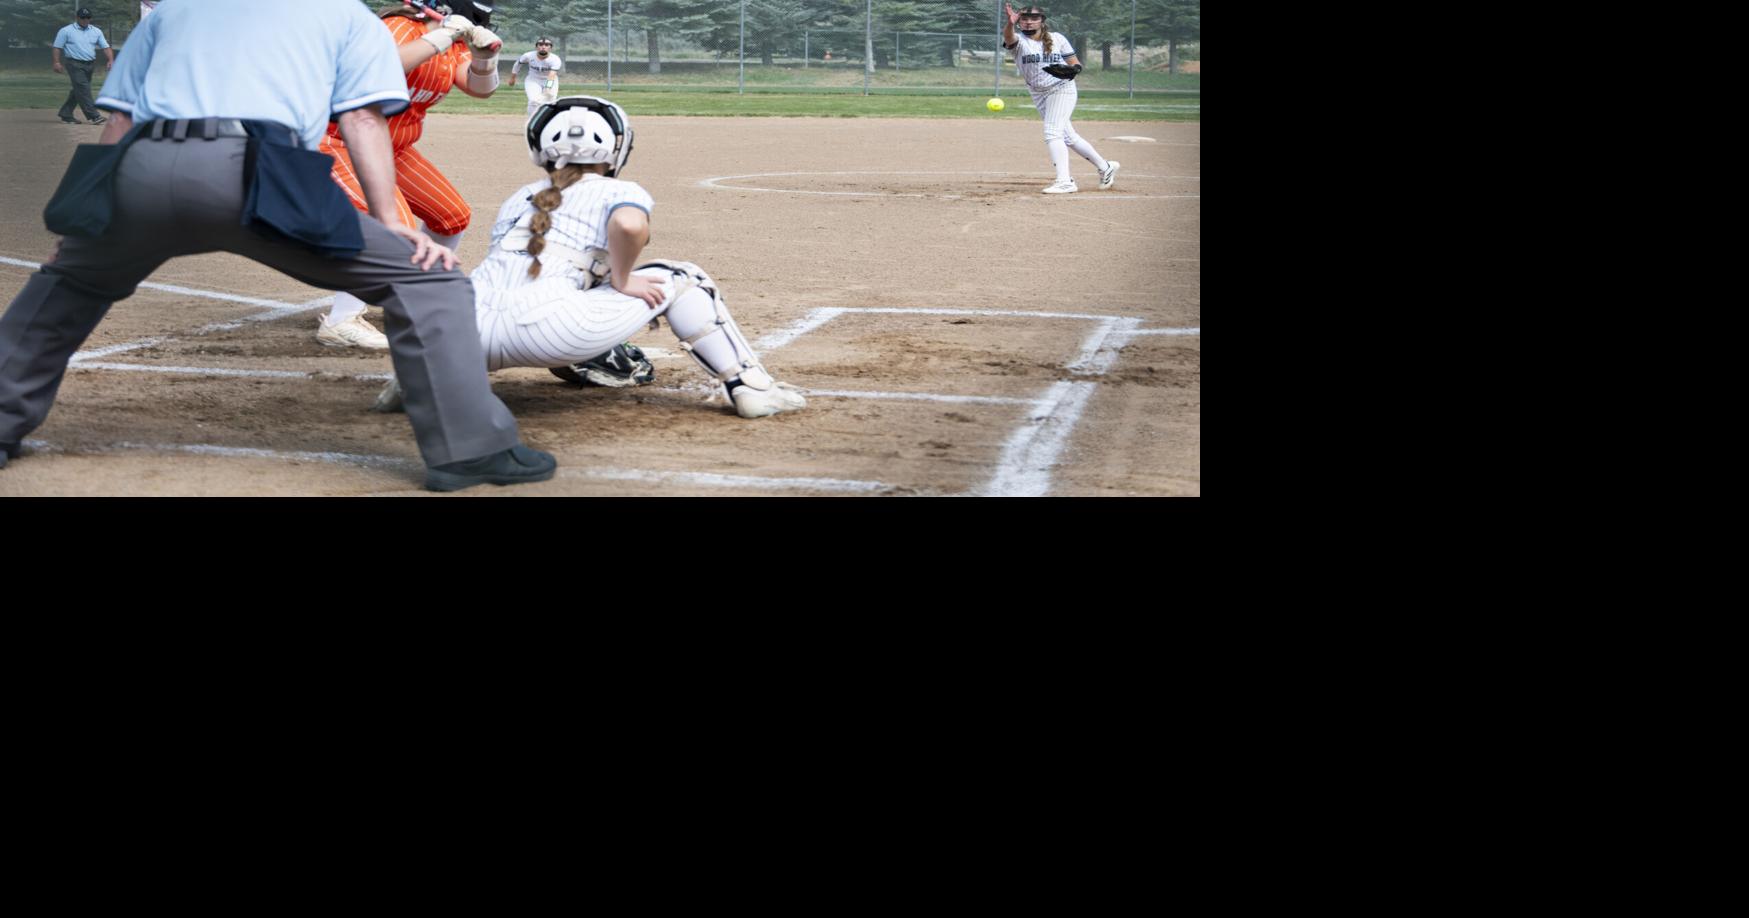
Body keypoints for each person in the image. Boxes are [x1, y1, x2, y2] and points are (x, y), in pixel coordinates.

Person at [0, 0, 553, 491]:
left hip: (144, 168)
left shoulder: (173, 11)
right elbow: (360, 117)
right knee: (428, 280)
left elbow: (120, 120)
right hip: (260, 169)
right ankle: (470, 450)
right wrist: (393, 224)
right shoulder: (343, 15)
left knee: (67, 284)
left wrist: (81, 223)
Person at [373, 96, 805, 421]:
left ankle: (413, 382)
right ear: (617, 149)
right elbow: (630, 227)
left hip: (461, 338)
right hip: (555, 332)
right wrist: (621, 279)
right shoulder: (621, 189)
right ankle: (750, 387)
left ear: (540, 148)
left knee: (495, 288)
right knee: (685, 278)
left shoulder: (520, 197)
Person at [313, 1, 503, 350]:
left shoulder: (453, 44)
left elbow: (481, 88)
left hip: (392, 148)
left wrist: (484, 58)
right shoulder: (401, 26)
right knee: (390, 223)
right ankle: (341, 320)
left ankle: (416, 296)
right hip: (339, 139)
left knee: (451, 216)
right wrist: (443, 35)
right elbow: (379, 66)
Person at [1002, 4, 1118, 195]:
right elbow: (1008, 37)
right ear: (1019, 21)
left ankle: (1065, 181)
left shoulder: (1057, 39)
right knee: (1068, 137)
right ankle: (1105, 167)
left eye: (1034, 18)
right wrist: (1010, 23)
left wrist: (1074, 70)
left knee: (1052, 133)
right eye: (1024, 18)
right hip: (1039, 93)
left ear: (1042, 21)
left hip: (1061, 89)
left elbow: (1075, 63)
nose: (1029, 22)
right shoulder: (1020, 42)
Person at [52, 8, 113, 126]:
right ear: (77, 17)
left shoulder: (96, 31)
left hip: (90, 64)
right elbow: (57, 47)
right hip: (74, 63)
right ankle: (94, 116)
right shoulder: (66, 31)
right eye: (83, 17)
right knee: (83, 89)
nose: (86, 20)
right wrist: (56, 62)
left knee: (78, 90)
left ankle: (66, 114)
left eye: (88, 17)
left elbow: (105, 47)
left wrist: (111, 60)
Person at [509, 38, 564, 120]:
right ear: (536, 47)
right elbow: (517, 64)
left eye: (546, 45)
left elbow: (551, 75)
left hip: (550, 80)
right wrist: (512, 78)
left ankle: (548, 121)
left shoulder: (555, 59)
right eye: (540, 44)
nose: (543, 47)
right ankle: (532, 123)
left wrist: (548, 88)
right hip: (533, 80)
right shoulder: (528, 56)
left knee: (550, 101)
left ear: (550, 48)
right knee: (533, 101)